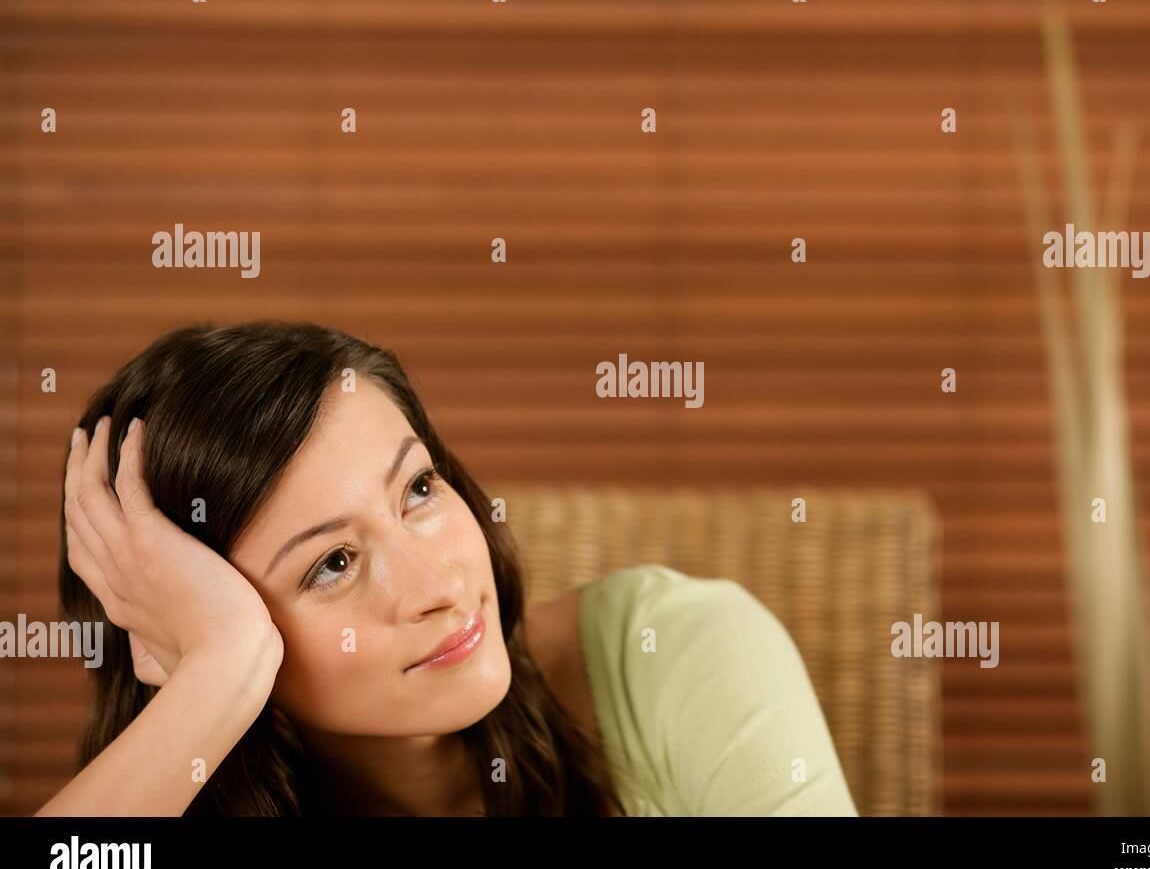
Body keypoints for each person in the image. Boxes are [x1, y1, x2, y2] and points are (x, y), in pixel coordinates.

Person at [38, 320, 859, 816]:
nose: (438, 586)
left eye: (419, 489)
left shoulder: (679, 651)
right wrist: (216, 675)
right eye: (332, 563)